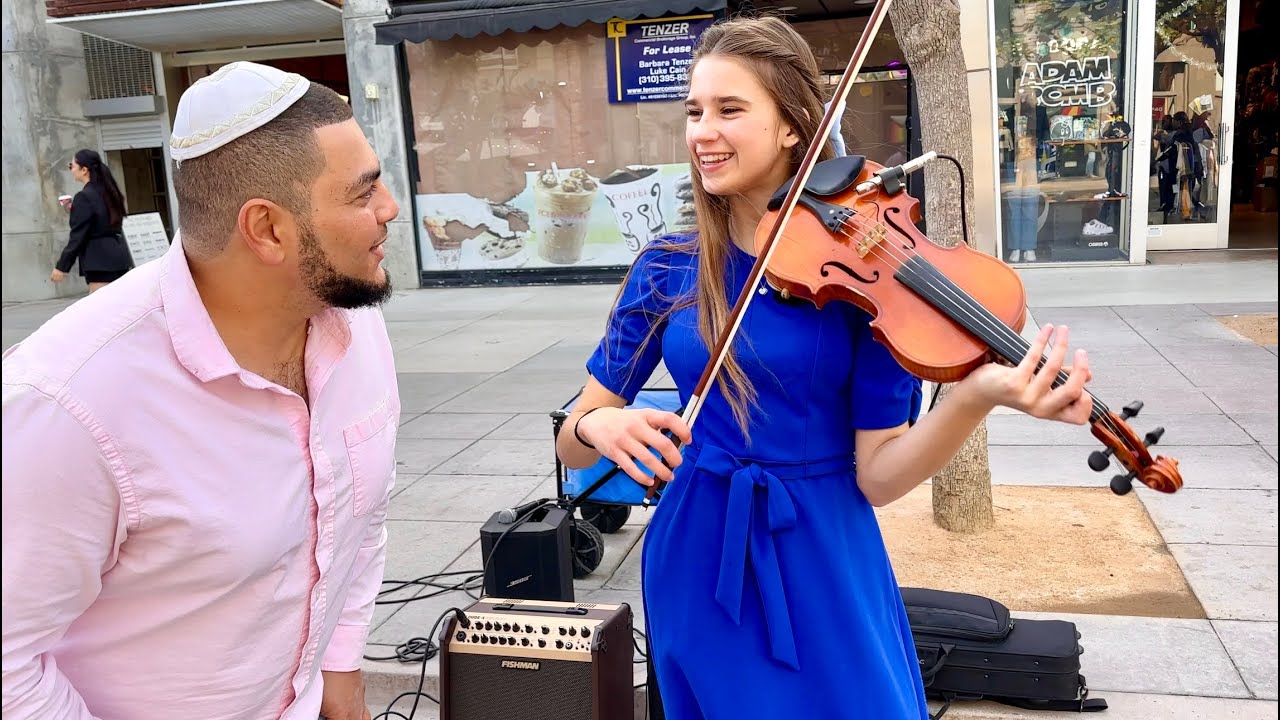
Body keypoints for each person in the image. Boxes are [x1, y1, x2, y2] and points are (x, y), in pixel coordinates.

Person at [555, 16, 1093, 719]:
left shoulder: (865, 269)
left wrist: (974, 397)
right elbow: (573, 436)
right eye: (695, 112)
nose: (703, 133)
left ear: (791, 126)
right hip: (697, 549)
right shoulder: (666, 268)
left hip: (823, 551)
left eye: (730, 110)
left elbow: (878, 474)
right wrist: (604, 428)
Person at [3, 61, 400, 720]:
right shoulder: (68, 402)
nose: (389, 208)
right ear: (269, 229)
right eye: (363, 194)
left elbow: (359, 518)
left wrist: (341, 673)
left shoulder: (355, 327)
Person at [51, 149, 135, 292]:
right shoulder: (110, 192)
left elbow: (78, 235)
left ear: (84, 170)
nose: (71, 170)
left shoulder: (84, 197)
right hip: (119, 256)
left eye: (72, 166)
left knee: (101, 309)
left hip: (98, 260)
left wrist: (62, 266)